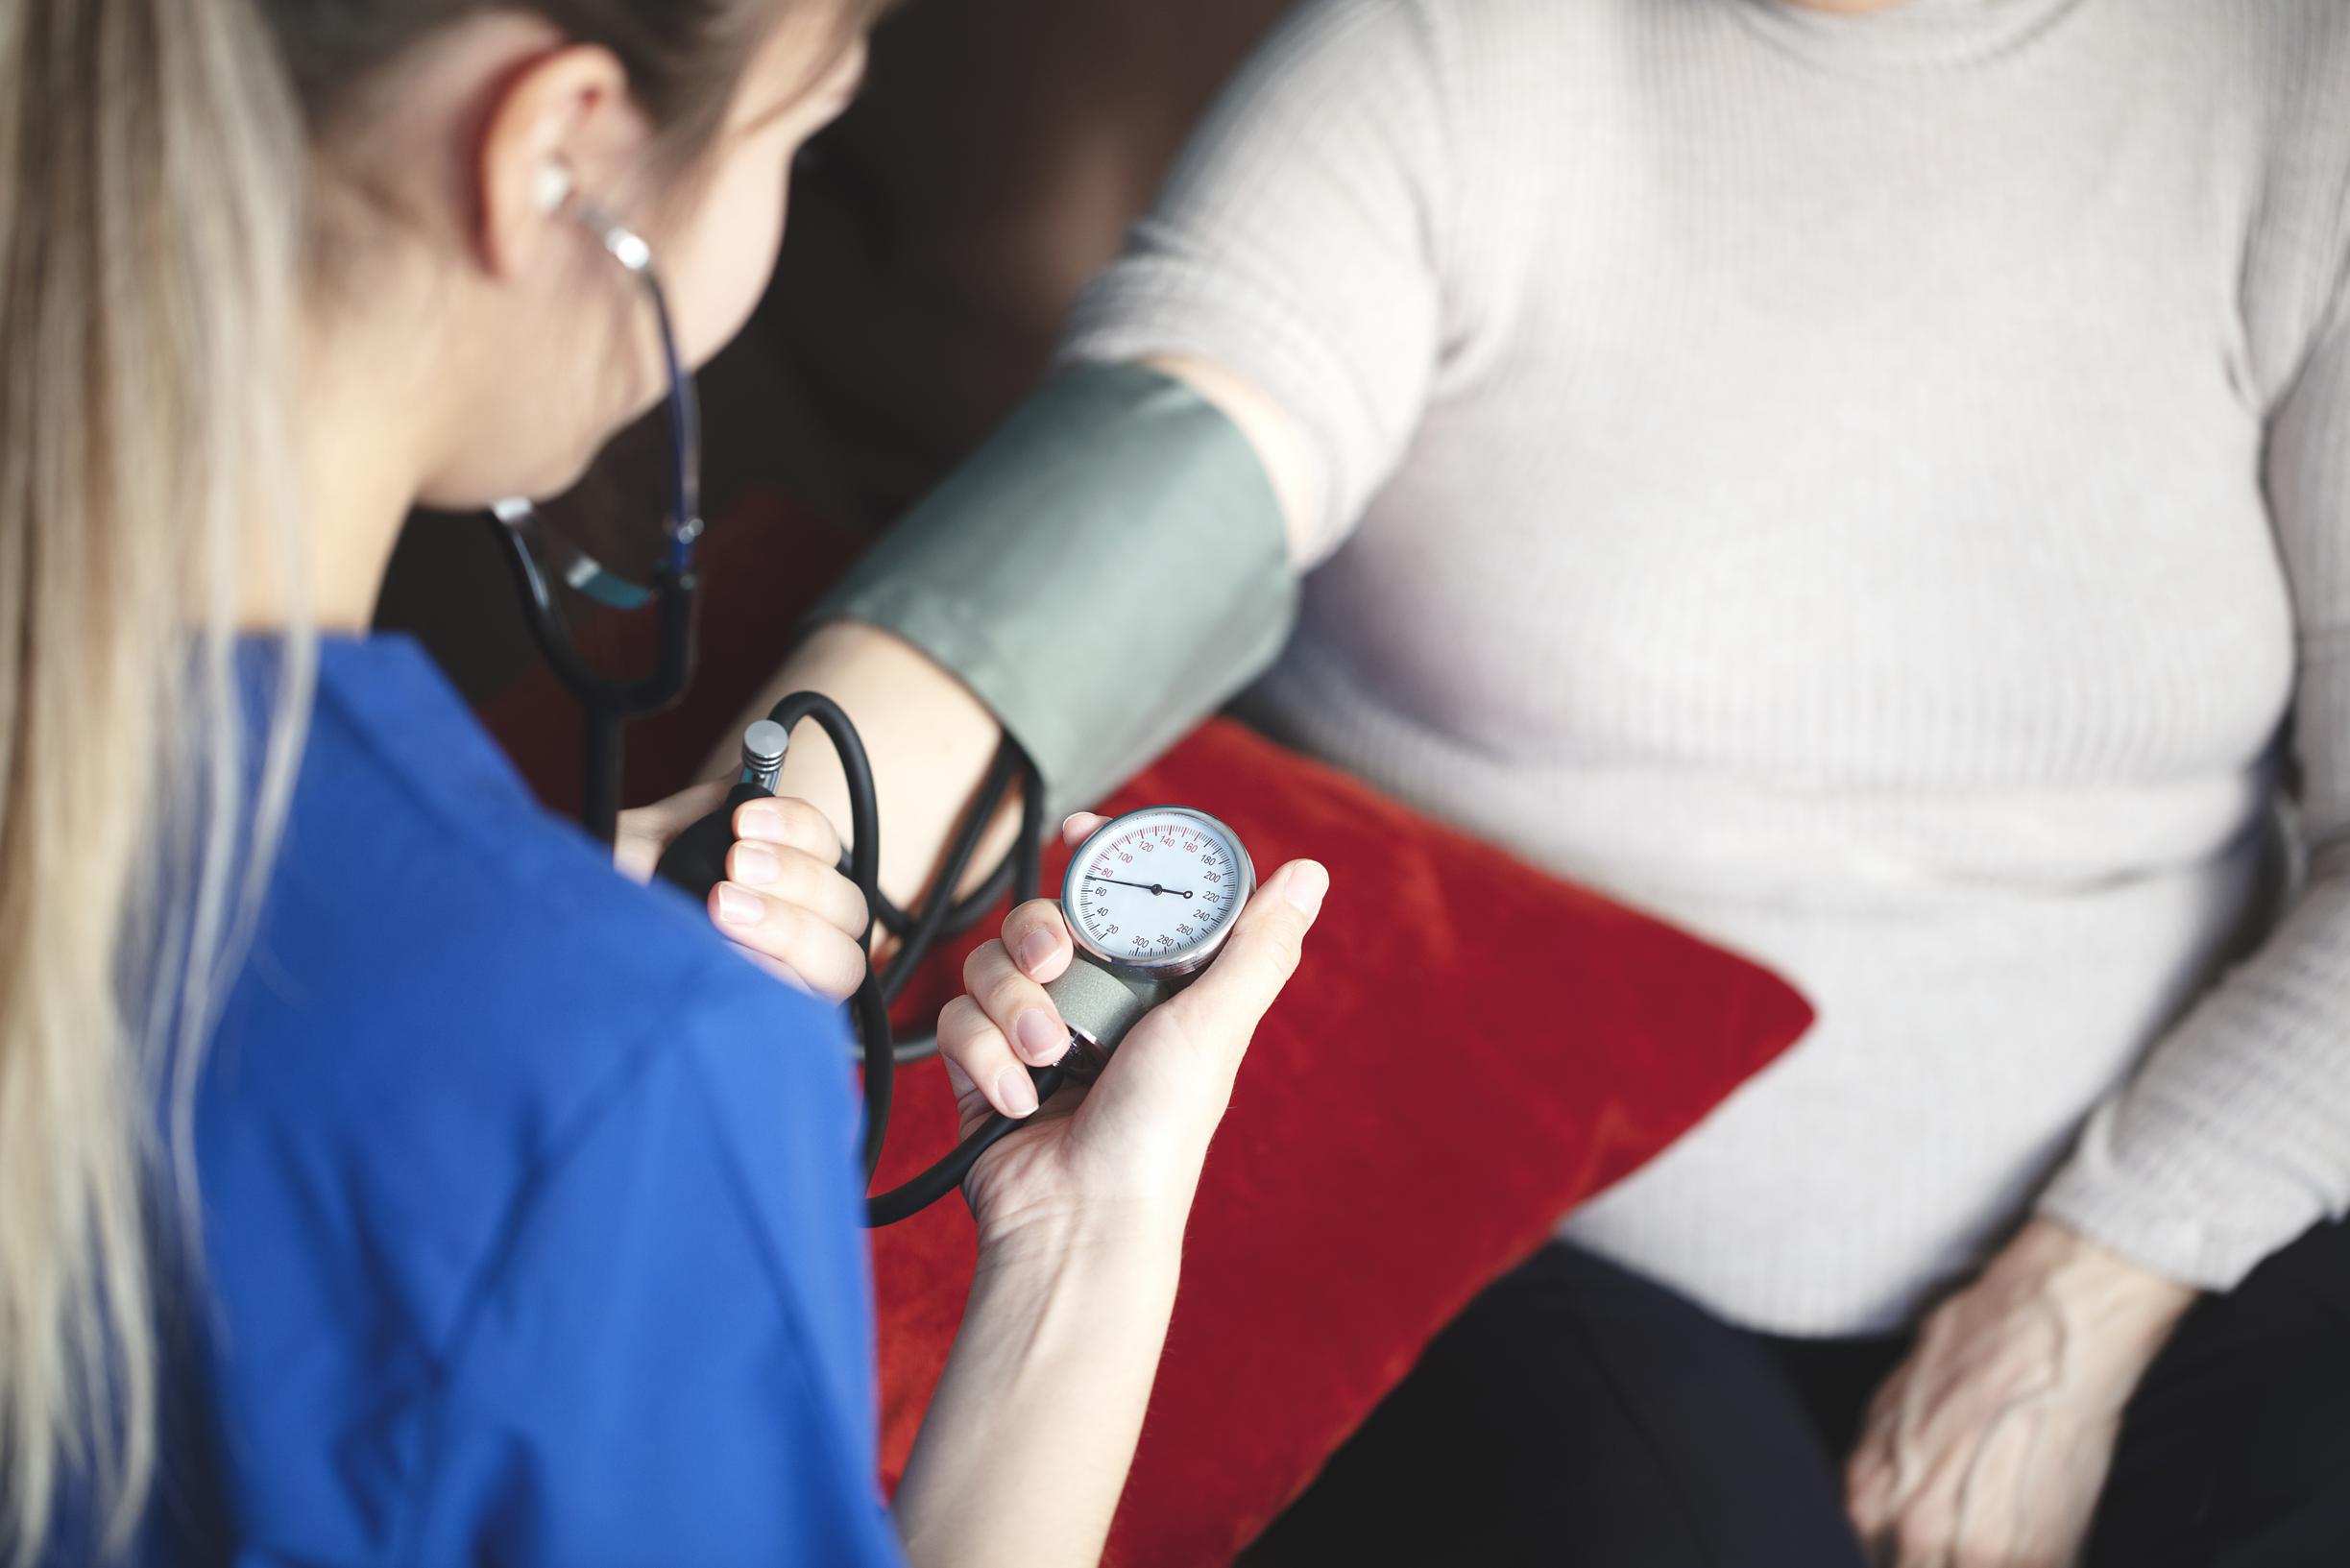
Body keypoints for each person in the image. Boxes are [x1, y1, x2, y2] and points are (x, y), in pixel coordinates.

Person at [670, 0, 2350, 1562]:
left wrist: (2116, 1263)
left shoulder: (2293, 91)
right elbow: (1155, 478)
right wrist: (790, 841)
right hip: (1524, 1220)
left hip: (2190, 1201)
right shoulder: (1451, 56)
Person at [0, 2, 1330, 1564]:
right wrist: (1087, 1246)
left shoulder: (575, 1035)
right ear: (550, 149)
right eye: (800, 135)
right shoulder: (630, 1077)